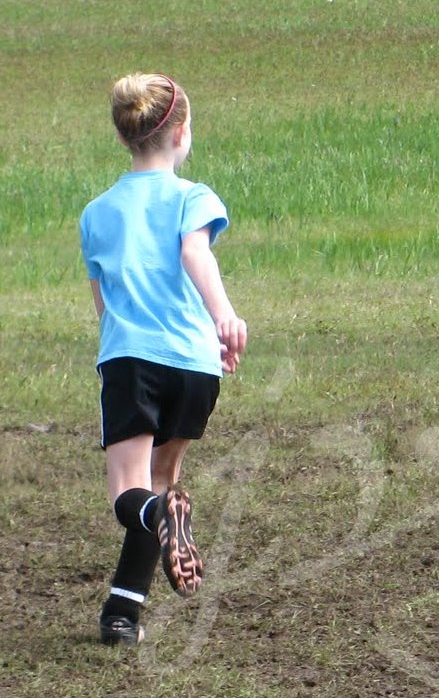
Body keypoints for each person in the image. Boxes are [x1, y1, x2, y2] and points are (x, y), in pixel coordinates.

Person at [81, 73, 248, 645]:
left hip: (133, 362)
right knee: (159, 485)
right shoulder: (195, 196)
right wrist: (222, 320)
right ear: (179, 134)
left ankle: (158, 522)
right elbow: (194, 252)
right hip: (196, 366)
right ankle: (122, 615)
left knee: (134, 497)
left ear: (128, 137)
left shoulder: (96, 213)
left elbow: (105, 305)